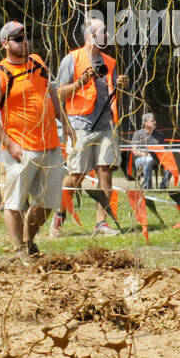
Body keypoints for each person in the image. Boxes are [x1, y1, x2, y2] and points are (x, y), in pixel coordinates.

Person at [0, 21, 73, 256]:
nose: (25, 42)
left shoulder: (37, 62)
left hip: (51, 146)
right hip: (21, 148)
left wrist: (64, 121)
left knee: (48, 202)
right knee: (14, 203)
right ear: (5, 44)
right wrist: (10, 145)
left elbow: (51, 92)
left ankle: (27, 241)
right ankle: (20, 249)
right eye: (18, 39)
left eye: (26, 37)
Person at [52, 14, 128, 237]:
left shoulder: (110, 62)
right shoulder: (72, 59)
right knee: (76, 175)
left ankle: (101, 223)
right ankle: (58, 217)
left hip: (106, 125)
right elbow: (60, 93)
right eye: (103, 31)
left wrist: (121, 85)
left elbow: (113, 93)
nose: (108, 34)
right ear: (90, 35)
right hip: (80, 125)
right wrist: (81, 82)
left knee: (105, 172)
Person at [130, 111, 166, 189]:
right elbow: (134, 150)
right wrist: (144, 154)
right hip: (140, 160)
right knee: (149, 159)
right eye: (152, 121)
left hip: (157, 160)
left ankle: (163, 185)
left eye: (154, 120)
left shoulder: (160, 135)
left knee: (171, 162)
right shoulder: (138, 134)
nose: (155, 122)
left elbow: (164, 150)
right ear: (145, 123)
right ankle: (147, 186)